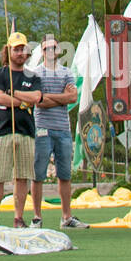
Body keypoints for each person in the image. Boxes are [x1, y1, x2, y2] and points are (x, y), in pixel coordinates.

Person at [31, 34, 88, 231]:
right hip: (42, 127)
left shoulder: (66, 72)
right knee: (38, 174)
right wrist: (60, 97)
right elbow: (38, 100)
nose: (51, 51)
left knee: (65, 174)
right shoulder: (36, 73)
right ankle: (37, 216)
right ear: (42, 50)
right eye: (46, 48)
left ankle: (66, 216)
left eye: (54, 47)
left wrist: (50, 97)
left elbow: (72, 97)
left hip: (63, 127)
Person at [0, 32, 42, 228]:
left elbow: (36, 97)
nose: (20, 53)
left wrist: (13, 94)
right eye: (16, 49)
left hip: (26, 132)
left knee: (22, 178)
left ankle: (18, 217)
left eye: (22, 49)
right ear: (8, 51)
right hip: (3, 132)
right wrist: (21, 101)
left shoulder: (32, 76)